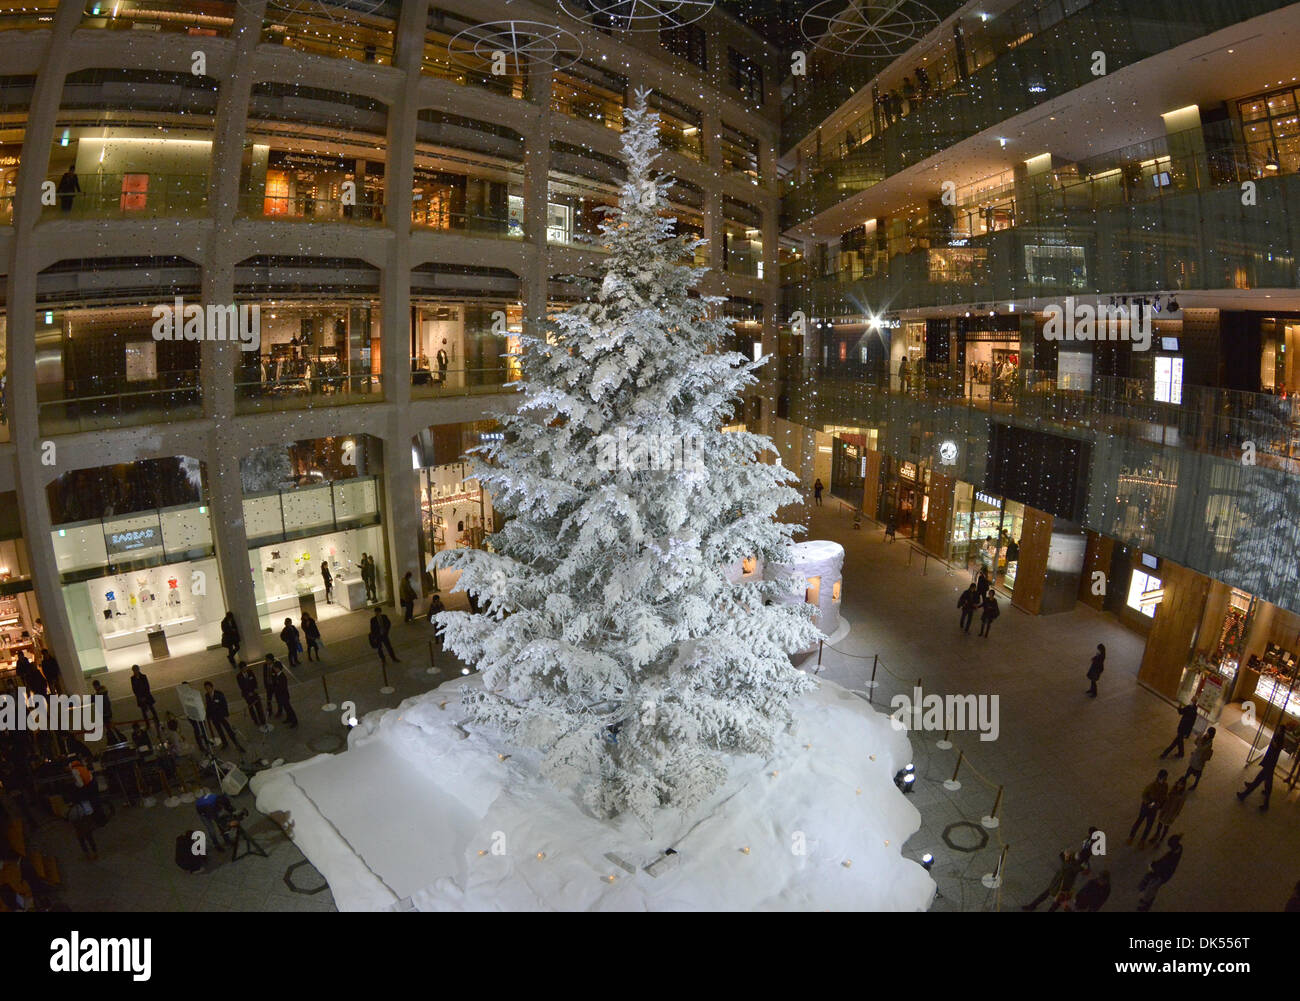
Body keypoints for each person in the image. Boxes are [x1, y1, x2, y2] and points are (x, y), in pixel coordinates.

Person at [1238, 723, 1289, 811]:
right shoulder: (1282, 738)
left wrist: (1273, 741)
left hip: (1269, 763)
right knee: (1268, 783)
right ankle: (1264, 801)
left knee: (1259, 780)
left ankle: (1244, 794)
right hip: (1271, 763)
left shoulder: (1278, 737)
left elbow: (1276, 747)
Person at [1137, 835, 1183, 912]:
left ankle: (1146, 905)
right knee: (1151, 888)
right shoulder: (1178, 849)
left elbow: (1163, 866)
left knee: (1152, 889)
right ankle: (1146, 901)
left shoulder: (1172, 858)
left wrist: (1153, 867)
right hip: (1162, 874)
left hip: (1161, 876)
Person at [1128, 769, 1169, 845]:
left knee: (1149, 825)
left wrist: (1161, 803)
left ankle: (1142, 840)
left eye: (1165, 779)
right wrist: (1149, 803)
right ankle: (1131, 836)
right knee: (1139, 821)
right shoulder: (1151, 786)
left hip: (1155, 807)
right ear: (1158, 777)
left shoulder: (1165, 786)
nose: (1163, 780)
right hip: (1146, 806)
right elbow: (1144, 795)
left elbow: (1164, 796)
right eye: (1162, 778)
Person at [202, 682, 242, 753]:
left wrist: (226, 715)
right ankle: (225, 743)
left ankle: (236, 744)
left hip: (222, 716)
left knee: (228, 730)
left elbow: (224, 704)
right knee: (219, 731)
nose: (208, 690)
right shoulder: (207, 695)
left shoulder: (219, 694)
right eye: (206, 689)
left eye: (209, 688)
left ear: (212, 687)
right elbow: (208, 706)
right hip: (214, 717)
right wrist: (208, 716)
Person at [1152, 775, 1187, 848]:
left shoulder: (1182, 795)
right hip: (1165, 809)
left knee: (1166, 827)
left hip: (1171, 813)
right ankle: (1157, 835)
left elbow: (1179, 807)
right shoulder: (1173, 789)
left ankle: (1160, 840)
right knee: (1159, 823)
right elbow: (1167, 797)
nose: (1179, 785)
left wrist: (1174, 815)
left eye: (1181, 784)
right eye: (1179, 783)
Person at [235, 661, 266, 728]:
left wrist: (254, 689)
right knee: (251, 708)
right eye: (243, 668)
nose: (245, 669)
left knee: (259, 707)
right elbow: (241, 686)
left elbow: (254, 681)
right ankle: (255, 721)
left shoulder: (250, 672)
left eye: (245, 667)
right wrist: (248, 693)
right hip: (247, 695)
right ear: (240, 669)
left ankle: (262, 720)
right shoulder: (238, 676)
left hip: (254, 693)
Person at [130, 665, 160, 730]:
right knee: (144, 712)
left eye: (136, 670)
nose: (136, 671)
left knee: (152, 709)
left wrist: (145, 696)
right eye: (134, 670)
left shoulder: (143, 676)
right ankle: (148, 724)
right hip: (140, 698)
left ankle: (157, 722)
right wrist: (139, 697)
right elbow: (134, 689)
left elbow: (147, 687)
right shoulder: (132, 679)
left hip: (147, 696)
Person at [269, 661, 297, 728]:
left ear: (278, 668)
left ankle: (294, 721)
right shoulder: (276, 675)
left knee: (289, 708)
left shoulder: (282, 676)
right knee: (286, 708)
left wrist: (275, 689)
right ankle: (289, 719)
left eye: (275, 668)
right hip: (280, 696)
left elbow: (282, 688)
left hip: (284, 696)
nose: (274, 669)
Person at [263, 654, 282, 718]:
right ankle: (269, 711)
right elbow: (264, 676)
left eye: (267, 660)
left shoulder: (275, 666)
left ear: (271, 660)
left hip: (275, 686)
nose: (266, 661)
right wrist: (265, 685)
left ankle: (280, 711)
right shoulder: (265, 666)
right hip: (268, 686)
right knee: (268, 700)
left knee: (278, 699)